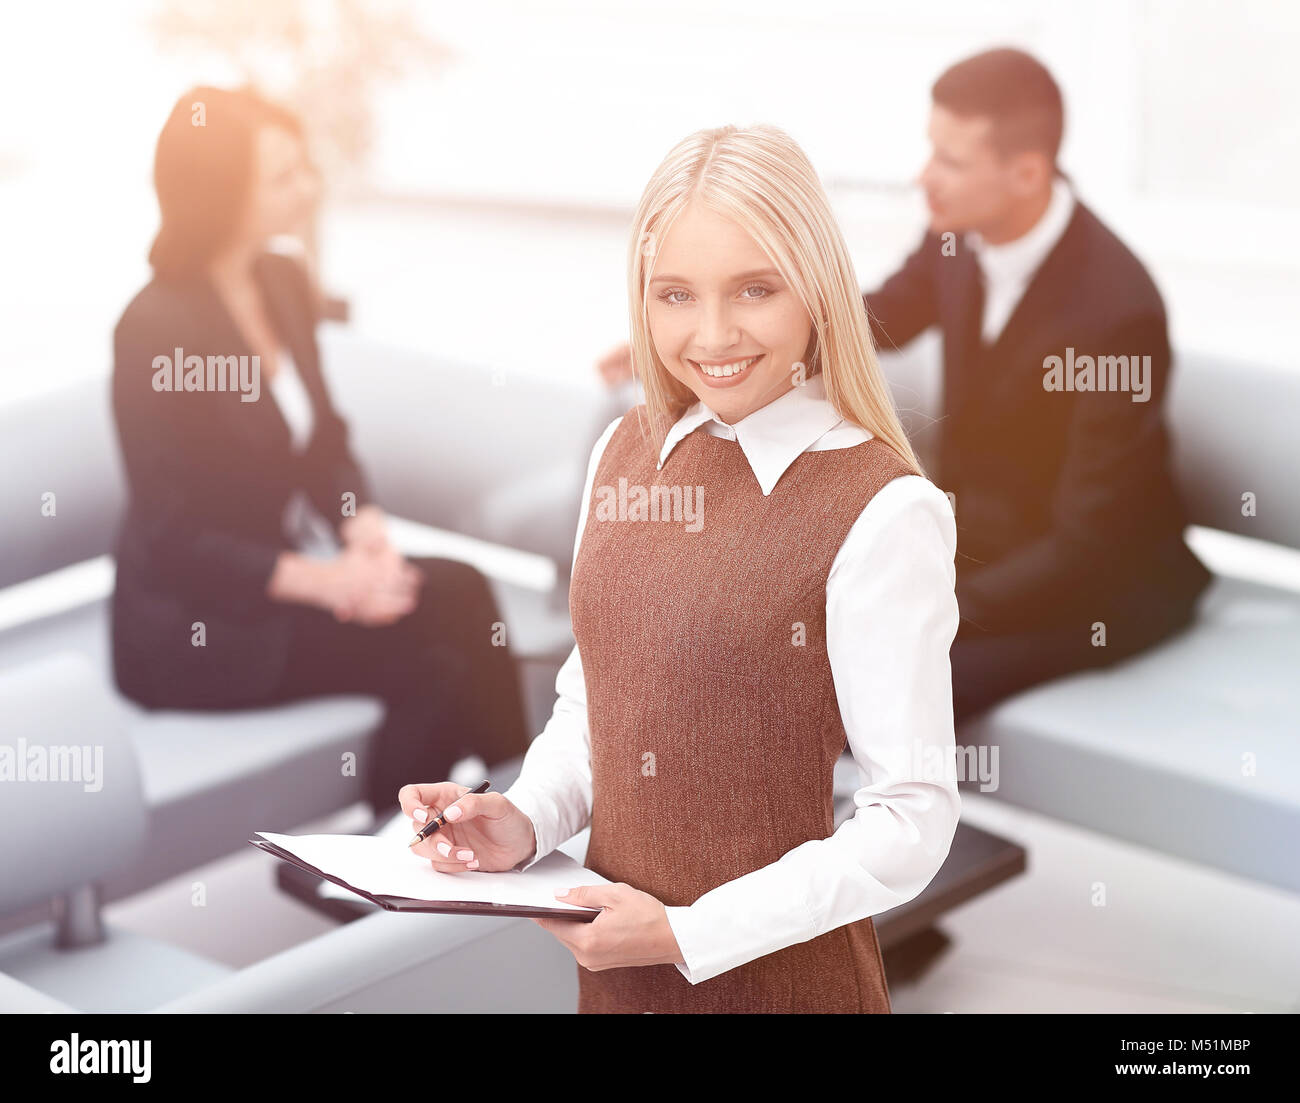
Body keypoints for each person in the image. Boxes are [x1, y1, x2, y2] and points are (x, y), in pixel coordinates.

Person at [397, 124, 961, 1013]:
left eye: (754, 289)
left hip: (780, 986)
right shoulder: (624, 450)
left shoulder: (883, 509)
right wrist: (525, 817)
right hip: (619, 978)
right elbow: (599, 703)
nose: (713, 334)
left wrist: (684, 933)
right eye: (675, 295)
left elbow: (912, 819)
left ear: (816, 287)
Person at [110, 86, 529, 817]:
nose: (308, 187)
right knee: (432, 662)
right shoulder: (153, 327)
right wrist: (329, 583)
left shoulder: (281, 278)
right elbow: (172, 538)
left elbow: (323, 438)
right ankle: (377, 870)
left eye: (304, 167)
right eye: (283, 176)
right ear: (221, 193)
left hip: (283, 579)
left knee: (464, 591)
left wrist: (361, 527)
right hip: (195, 624)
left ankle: (519, 815)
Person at [861, 48, 1212, 721]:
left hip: (1100, 584)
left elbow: (1087, 544)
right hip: (992, 546)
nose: (923, 178)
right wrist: (734, 341)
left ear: (1027, 173)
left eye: (950, 162)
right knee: (830, 626)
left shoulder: (1119, 312)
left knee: (906, 678)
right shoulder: (955, 235)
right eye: (930, 151)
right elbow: (881, 316)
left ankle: (900, 825)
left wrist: (942, 606)